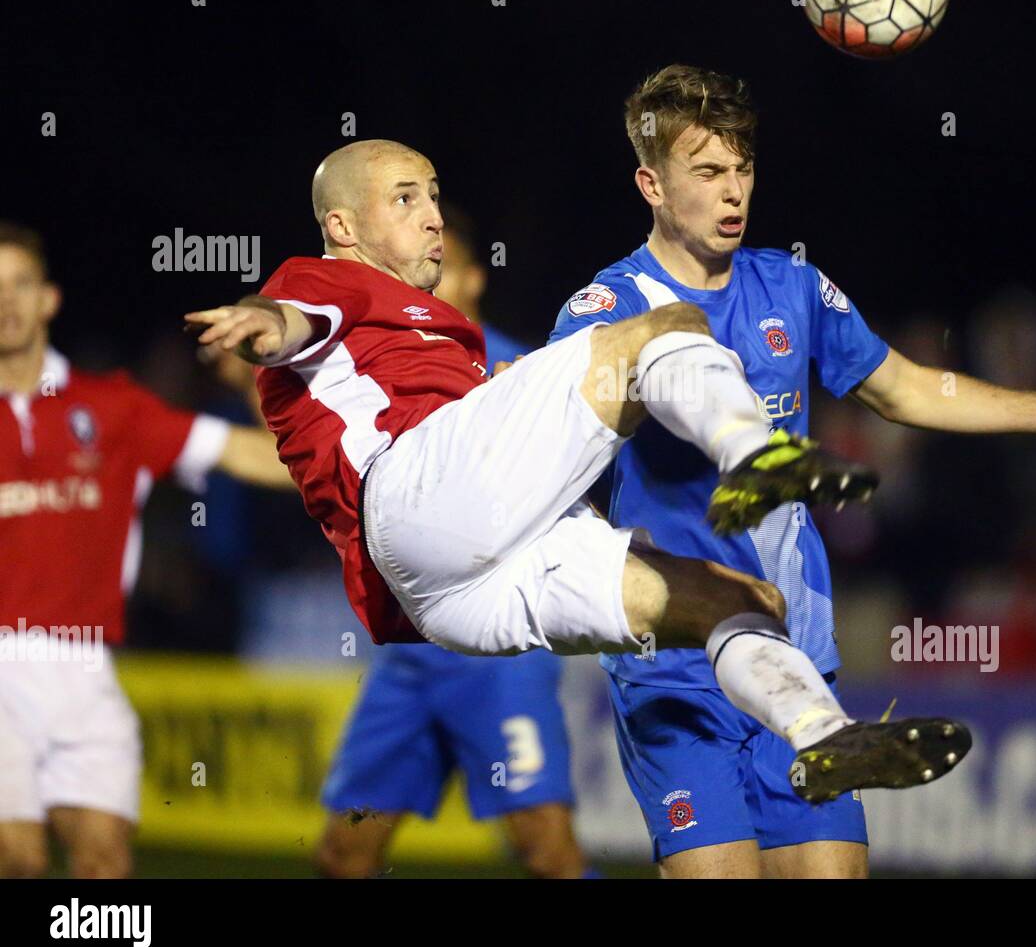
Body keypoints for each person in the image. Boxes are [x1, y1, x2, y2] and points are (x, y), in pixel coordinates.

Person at [185, 138, 973, 816]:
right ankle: (757, 458)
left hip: (451, 596)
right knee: (662, 328)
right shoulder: (327, 283)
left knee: (737, 601)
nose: (432, 215)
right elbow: (290, 321)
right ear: (342, 227)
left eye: (433, 194)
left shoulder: (441, 333)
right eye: (405, 198)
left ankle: (824, 739)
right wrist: (261, 324)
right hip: (414, 496)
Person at [547, 64, 1036, 878]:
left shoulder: (792, 286)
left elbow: (909, 389)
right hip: (675, 670)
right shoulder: (603, 313)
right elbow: (548, 462)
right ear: (651, 182)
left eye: (743, 169)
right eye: (708, 172)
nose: (733, 192)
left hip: (794, 658)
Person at [0, 222, 294, 878]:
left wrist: (256, 387)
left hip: (85, 669)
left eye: (19, 283)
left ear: (49, 298)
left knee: (105, 865)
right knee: (16, 860)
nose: (6, 302)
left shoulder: (113, 409)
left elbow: (266, 458)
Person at [313, 212, 596, 879]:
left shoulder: (519, 371)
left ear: (473, 278)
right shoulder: (377, 374)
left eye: (440, 271)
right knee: (343, 854)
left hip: (496, 656)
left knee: (547, 850)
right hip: (407, 656)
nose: (426, 285)